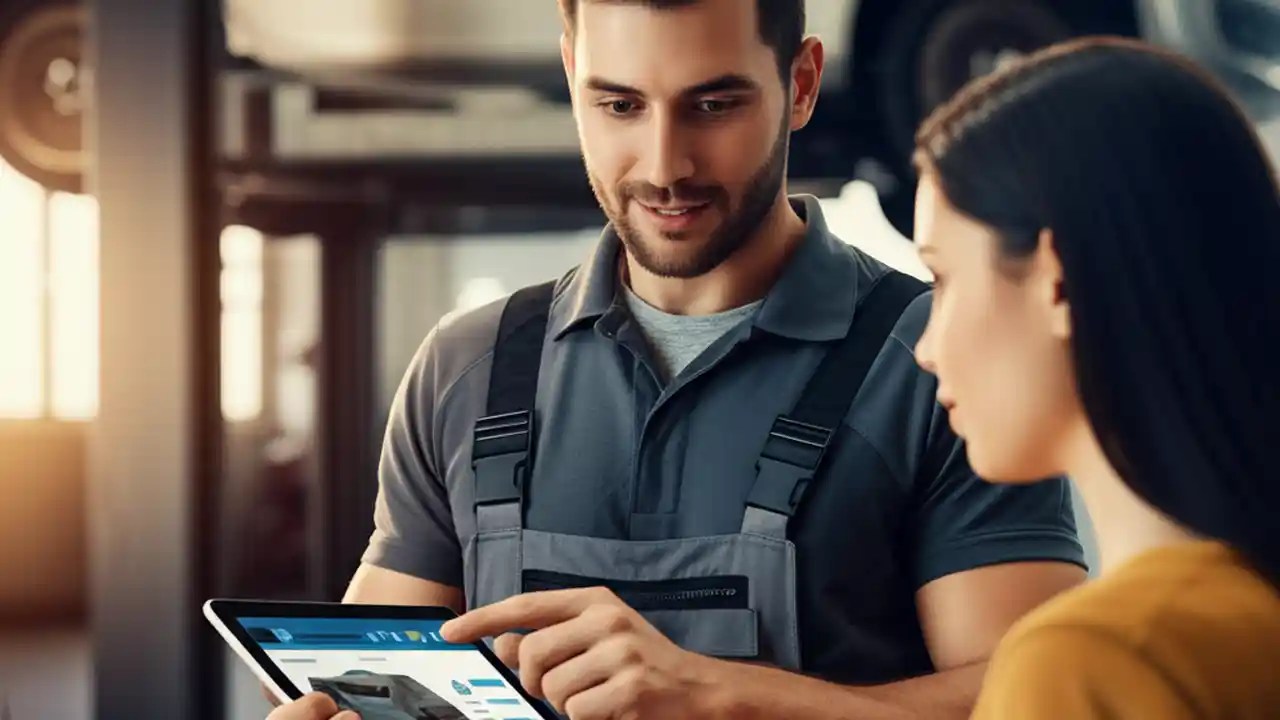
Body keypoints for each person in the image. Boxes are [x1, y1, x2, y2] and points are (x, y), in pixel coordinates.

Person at [269, 1, 1088, 718]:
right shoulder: (467, 369)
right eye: (620, 104)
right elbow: (375, 682)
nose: (665, 165)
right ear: (571, 76)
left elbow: (1041, 704)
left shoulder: (941, 363)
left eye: (715, 103)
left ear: (800, 85)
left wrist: (731, 699)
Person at [907, 37, 1280, 718]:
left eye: (943, 276)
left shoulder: (1089, 662)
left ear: (1058, 282)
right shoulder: (1249, 614)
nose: (925, 349)